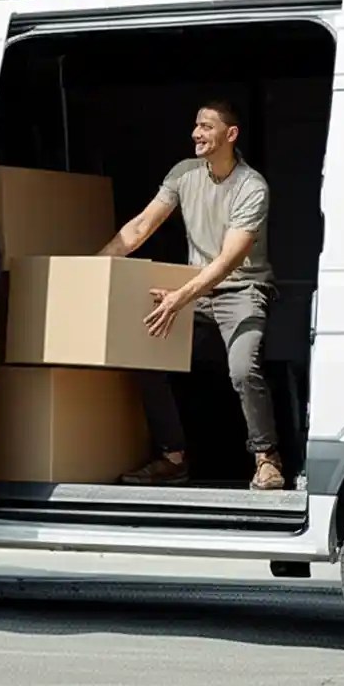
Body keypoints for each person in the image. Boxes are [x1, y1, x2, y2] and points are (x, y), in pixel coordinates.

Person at [96, 100, 284, 490]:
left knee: (242, 369)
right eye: (195, 125)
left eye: (206, 126)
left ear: (230, 135)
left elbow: (230, 260)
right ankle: (173, 457)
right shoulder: (183, 174)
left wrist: (180, 296)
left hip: (242, 289)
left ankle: (267, 458)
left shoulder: (252, 187)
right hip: (193, 292)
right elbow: (141, 227)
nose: (196, 133)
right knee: (145, 352)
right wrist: (93, 267)